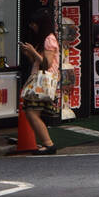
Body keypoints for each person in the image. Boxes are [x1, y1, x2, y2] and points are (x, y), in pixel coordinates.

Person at [20, 9, 60, 155]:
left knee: (31, 112)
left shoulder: (49, 39)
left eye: (34, 24)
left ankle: (48, 144)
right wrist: (30, 54)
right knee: (31, 111)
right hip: (41, 80)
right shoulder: (44, 39)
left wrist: (32, 51)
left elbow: (46, 64)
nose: (32, 27)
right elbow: (38, 63)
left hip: (43, 80)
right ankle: (46, 143)